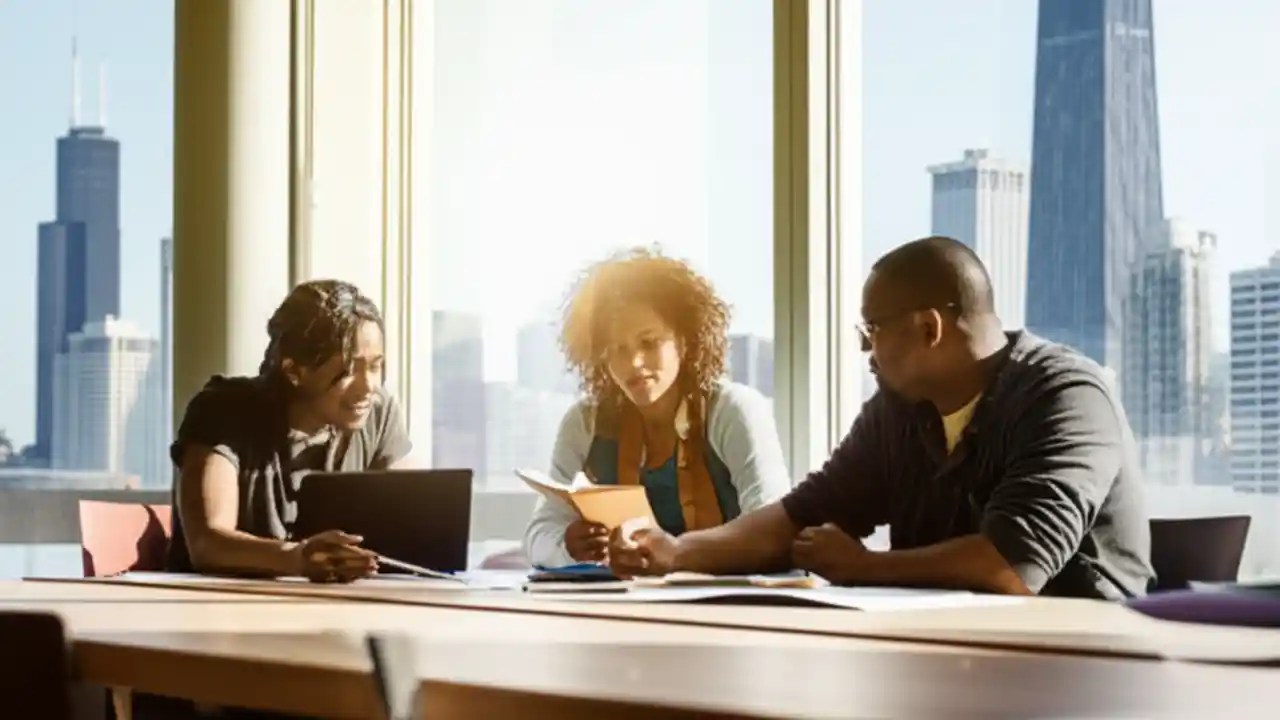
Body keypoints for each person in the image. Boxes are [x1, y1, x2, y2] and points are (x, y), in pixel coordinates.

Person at [609, 236, 1154, 599]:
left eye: (871, 331)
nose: (866, 352)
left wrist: (863, 567)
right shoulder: (898, 411)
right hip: (945, 660)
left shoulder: (1066, 396)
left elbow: (1009, 566)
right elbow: (802, 515)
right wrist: (675, 552)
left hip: (1083, 672)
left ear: (927, 329)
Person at [523, 247, 791, 569]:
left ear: (685, 340)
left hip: (730, 605)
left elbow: (774, 534)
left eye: (649, 343)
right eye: (616, 349)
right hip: (624, 610)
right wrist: (568, 546)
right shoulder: (585, 423)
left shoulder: (734, 410)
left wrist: (676, 553)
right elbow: (538, 536)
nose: (633, 363)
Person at [167, 279, 413, 583]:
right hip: (217, 609)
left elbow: (408, 527)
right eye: (349, 371)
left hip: (334, 613)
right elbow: (208, 544)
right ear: (294, 370)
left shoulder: (378, 412)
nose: (369, 388)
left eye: (376, 367)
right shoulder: (223, 410)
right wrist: (297, 558)